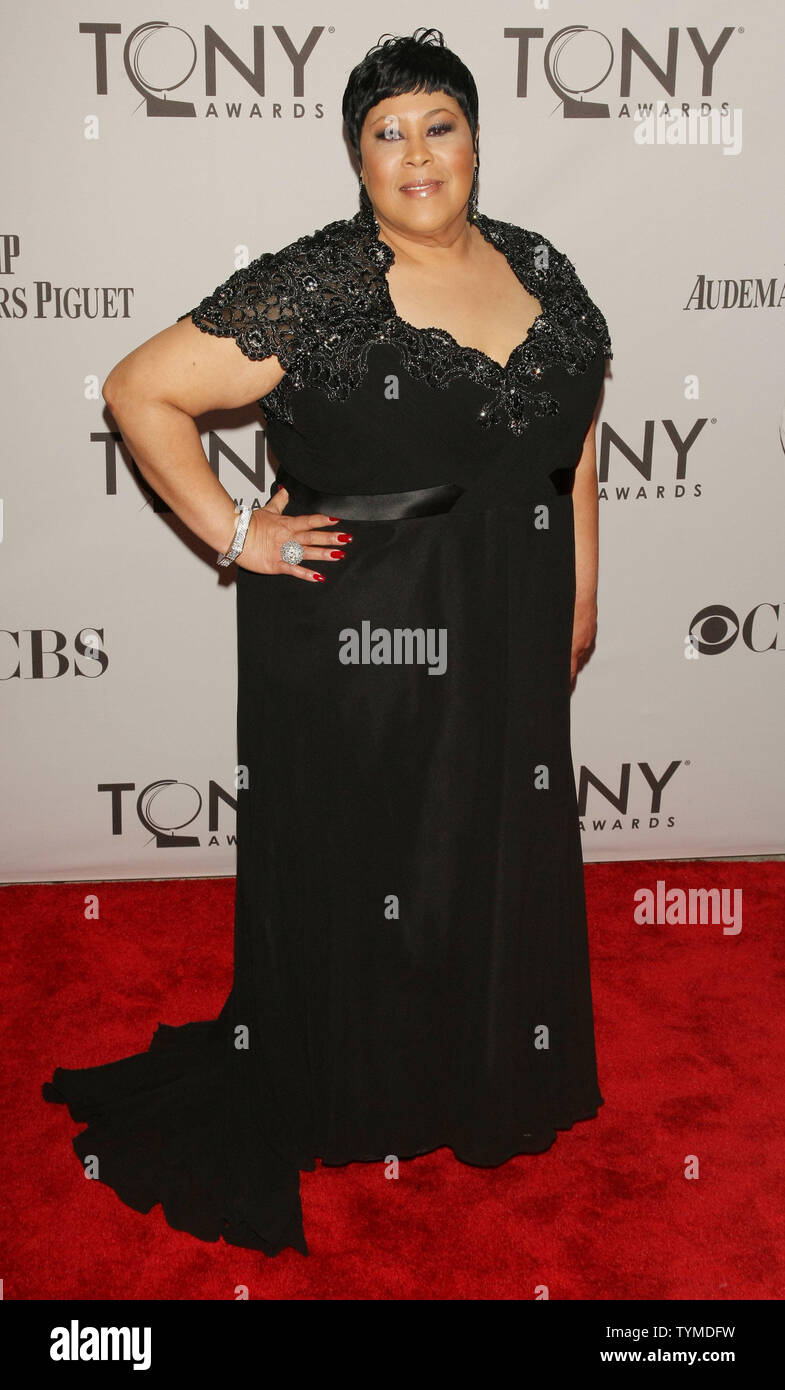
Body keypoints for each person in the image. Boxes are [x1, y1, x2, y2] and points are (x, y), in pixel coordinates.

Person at [42, 27, 612, 1258]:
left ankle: (472, 1077)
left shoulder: (541, 264)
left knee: (480, 845)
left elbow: (572, 439)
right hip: (368, 633)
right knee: (379, 858)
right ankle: (367, 1087)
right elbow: (140, 388)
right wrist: (236, 531)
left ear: (474, 138)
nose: (417, 153)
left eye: (438, 125)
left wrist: (579, 589)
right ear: (356, 160)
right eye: (385, 133)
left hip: (509, 615)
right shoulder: (323, 282)